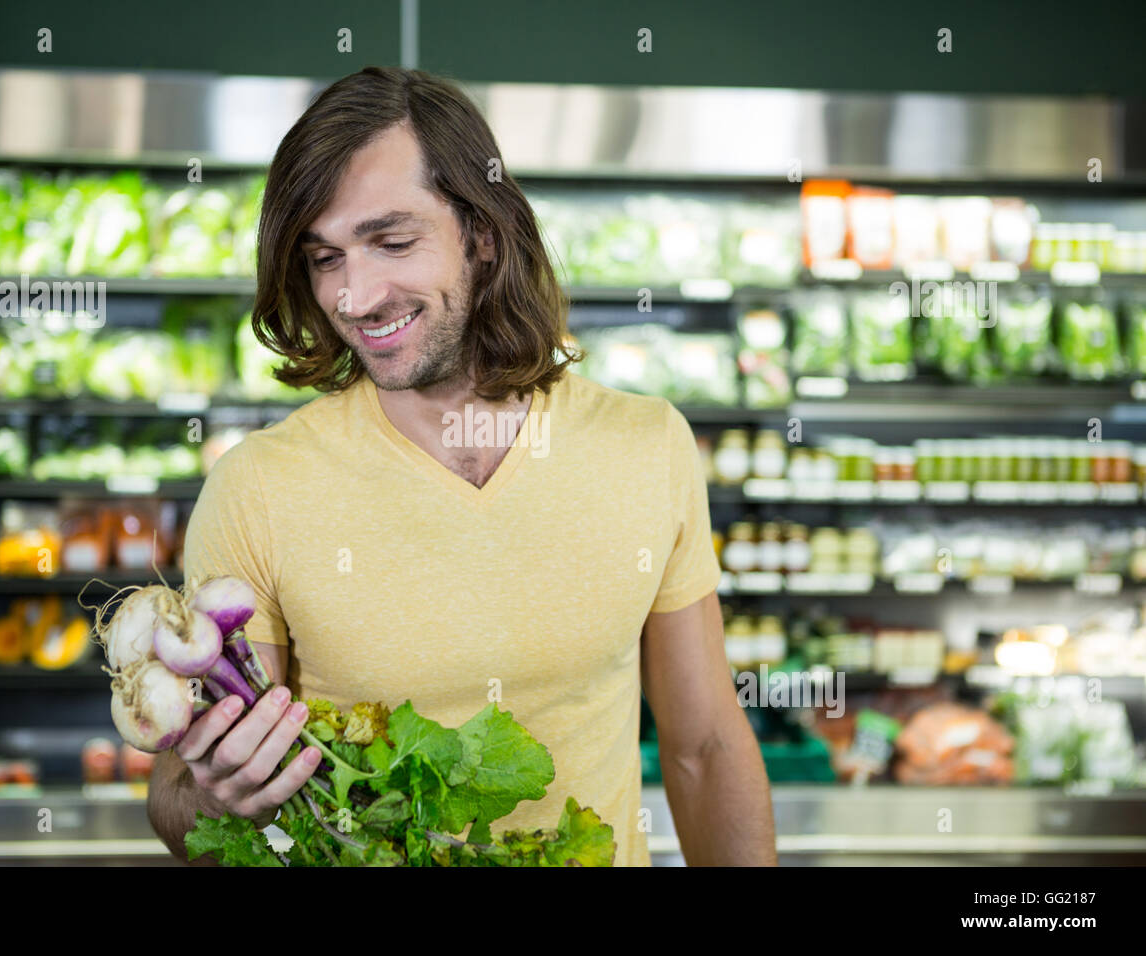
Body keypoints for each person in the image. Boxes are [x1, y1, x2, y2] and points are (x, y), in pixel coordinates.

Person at [148, 66, 776, 867]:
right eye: (325, 258)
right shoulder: (259, 487)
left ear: (482, 232)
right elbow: (178, 799)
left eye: (392, 241)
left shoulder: (646, 444)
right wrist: (215, 790)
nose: (354, 295)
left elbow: (707, 746)